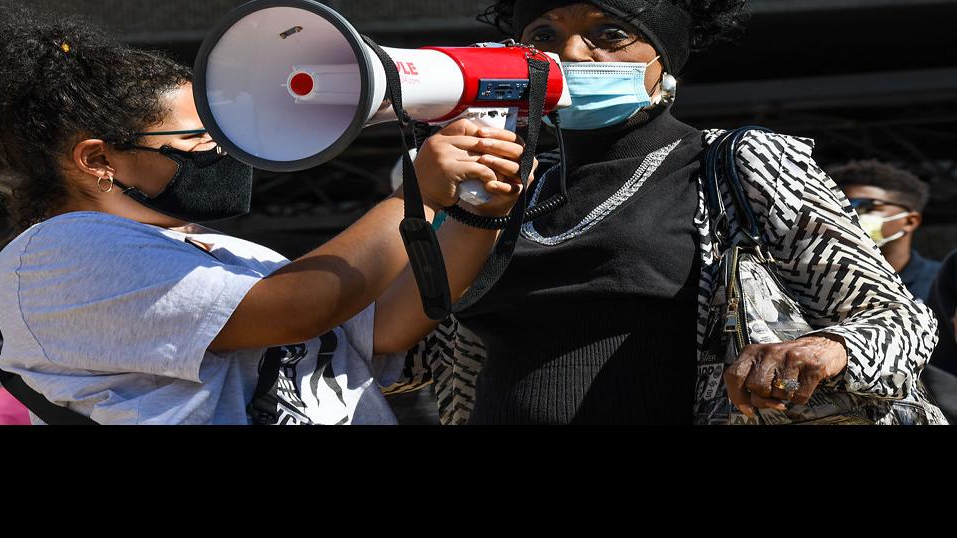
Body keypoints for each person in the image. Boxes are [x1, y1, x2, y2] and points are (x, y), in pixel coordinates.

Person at [0, 6, 531, 425]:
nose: (223, 148)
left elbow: (390, 326)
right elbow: (298, 311)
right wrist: (418, 195)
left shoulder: (231, 255)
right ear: (98, 159)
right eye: (199, 134)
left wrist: (476, 214)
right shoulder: (56, 254)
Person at [389, 0, 943, 425]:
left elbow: (902, 322)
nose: (573, 54)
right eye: (544, 36)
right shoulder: (508, 192)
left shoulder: (737, 162)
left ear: (663, 61)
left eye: (609, 34)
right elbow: (401, 363)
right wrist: (427, 200)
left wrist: (823, 349)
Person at [830, 160, 940, 302]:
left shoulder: (943, 281)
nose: (850, 214)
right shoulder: (814, 279)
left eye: (866, 206)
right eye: (842, 206)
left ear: (910, 221)